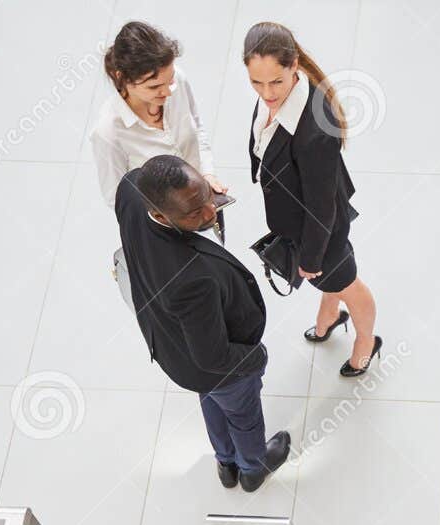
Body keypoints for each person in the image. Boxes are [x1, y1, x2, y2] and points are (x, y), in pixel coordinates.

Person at [116, 155, 290, 492]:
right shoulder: (191, 280)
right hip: (217, 364)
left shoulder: (131, 190)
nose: (211, 213)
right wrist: (257, 356)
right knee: (243, 415)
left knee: (210, 400)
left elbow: (142, 178)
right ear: (159, 214)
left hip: (175, 349)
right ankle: (252, 468)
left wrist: (198, 196)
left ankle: (226, 462)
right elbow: (214, 359)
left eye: (206, 198)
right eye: (195, 212)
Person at [242, 21, 383, 376]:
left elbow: (322, 208)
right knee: (332, 281)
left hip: (319, 232)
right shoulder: (278, 98)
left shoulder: (314, 133)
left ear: (294, 67)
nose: (266, 92)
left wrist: (311, 257)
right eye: (256, 82)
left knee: (347, 282)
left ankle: (367, 339)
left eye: (275, 81)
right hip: (303, 221)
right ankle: (330, 314)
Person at [91, 21, 225, 226]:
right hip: (166, 227)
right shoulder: (109, 132)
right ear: (122, 78)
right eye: (154, 87)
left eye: (169, 81)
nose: (168, 92)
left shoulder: (178, 80)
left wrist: (207, 174)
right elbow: (118, 198)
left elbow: (197, 129)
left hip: (206, 201)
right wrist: (165, 217)